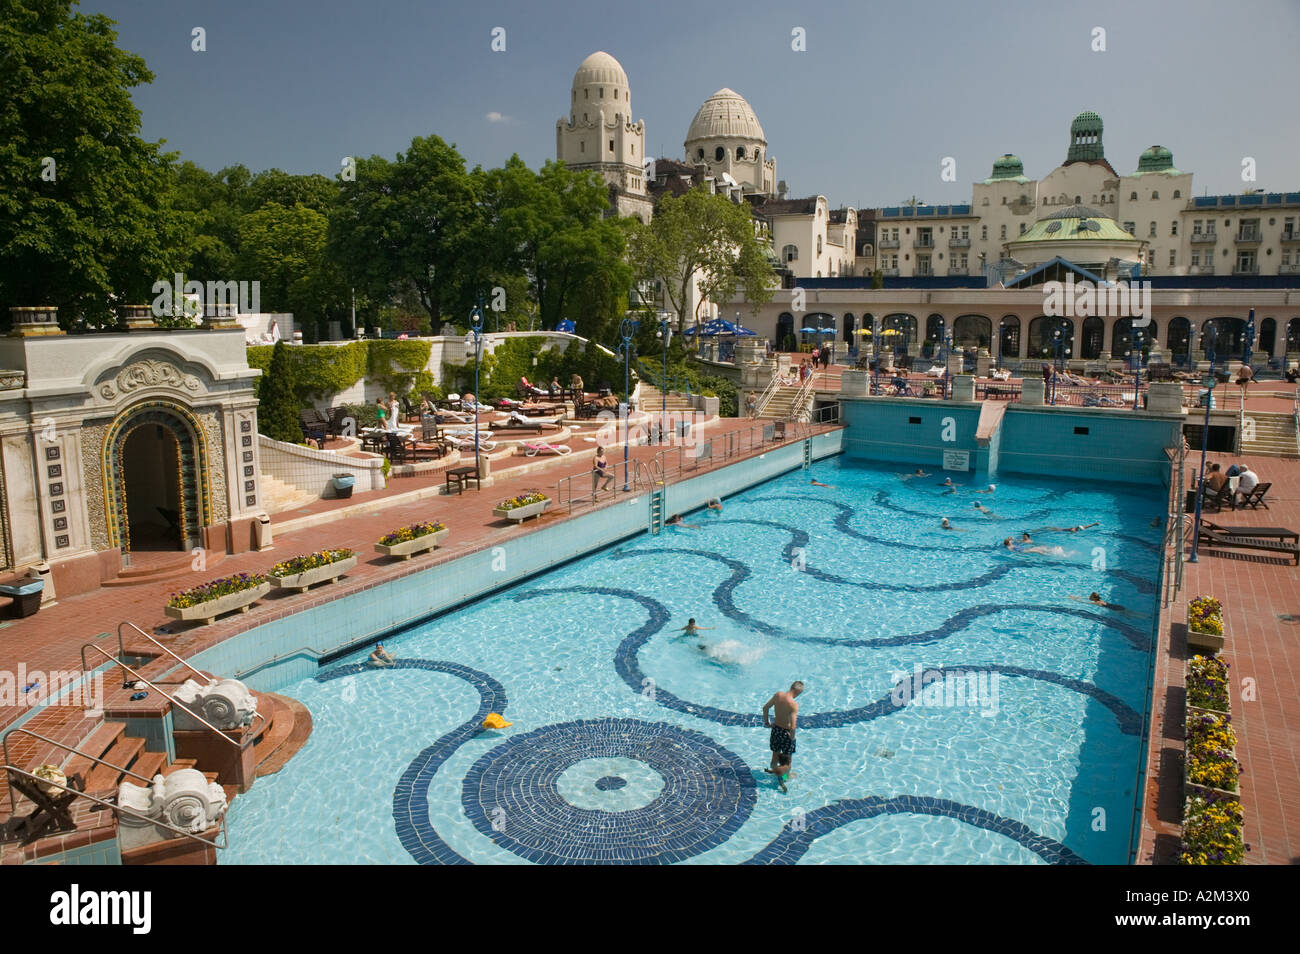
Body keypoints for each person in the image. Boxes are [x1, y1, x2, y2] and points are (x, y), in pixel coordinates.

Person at [762, 681, 804, 793]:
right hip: (786, 734)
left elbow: (765, 708)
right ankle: (785, 778)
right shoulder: (793, 704)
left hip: (776, 730)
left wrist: (767, 723)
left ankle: (774, 773)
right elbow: (793, 726)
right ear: (798, 692)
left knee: (775, 756)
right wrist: (792, 738)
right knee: (787, 762)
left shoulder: (778, 695)